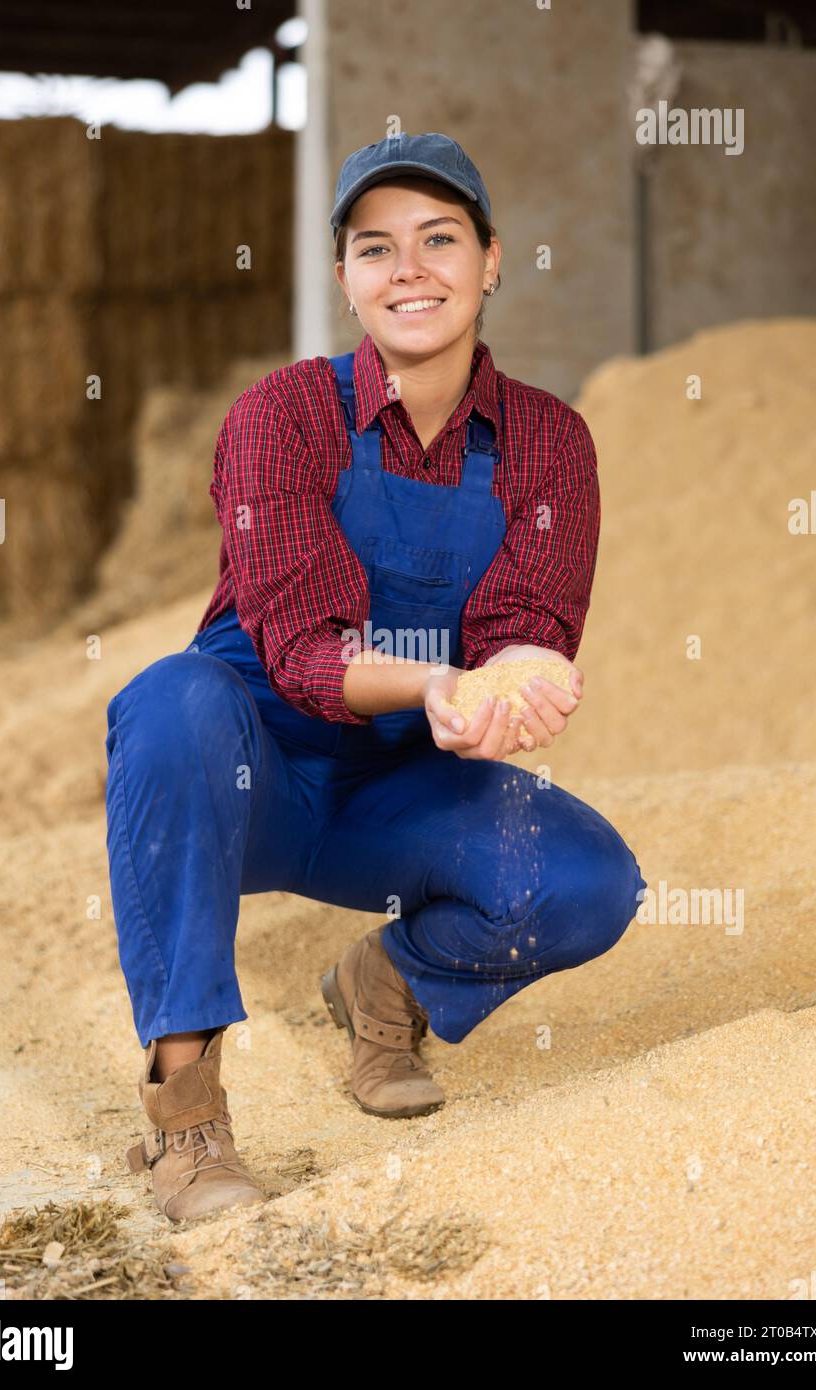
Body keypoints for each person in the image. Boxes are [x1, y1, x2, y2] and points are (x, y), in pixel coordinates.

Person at [104, 132, 647, 1224]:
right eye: (375, 247)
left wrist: (524, 673)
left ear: (491, 259)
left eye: (438, 239)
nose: (409, 268)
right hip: (249, 769)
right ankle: (187, 1116)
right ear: (345, 277)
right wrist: (446, 684)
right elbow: (303, 648)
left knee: (588, 880)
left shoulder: (550, 441)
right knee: (168, 701)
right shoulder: (281, 416)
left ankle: (384, 988)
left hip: (403, 789)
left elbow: (524, 626)